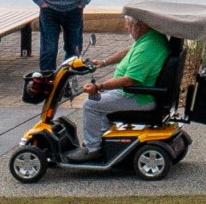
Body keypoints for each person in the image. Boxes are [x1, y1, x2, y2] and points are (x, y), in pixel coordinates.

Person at [75, 19, 179, 150]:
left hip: (139, 97)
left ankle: (92, 148)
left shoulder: (147, 48)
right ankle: (106, 139)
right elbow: (129, 50)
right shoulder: (153, 37)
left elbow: (130, 80)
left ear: (140, 26)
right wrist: (104, 62)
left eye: (129, 25)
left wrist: (99, 86)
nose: (127, 28)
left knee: (91, 105)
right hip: (137, 93)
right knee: (101, 98)